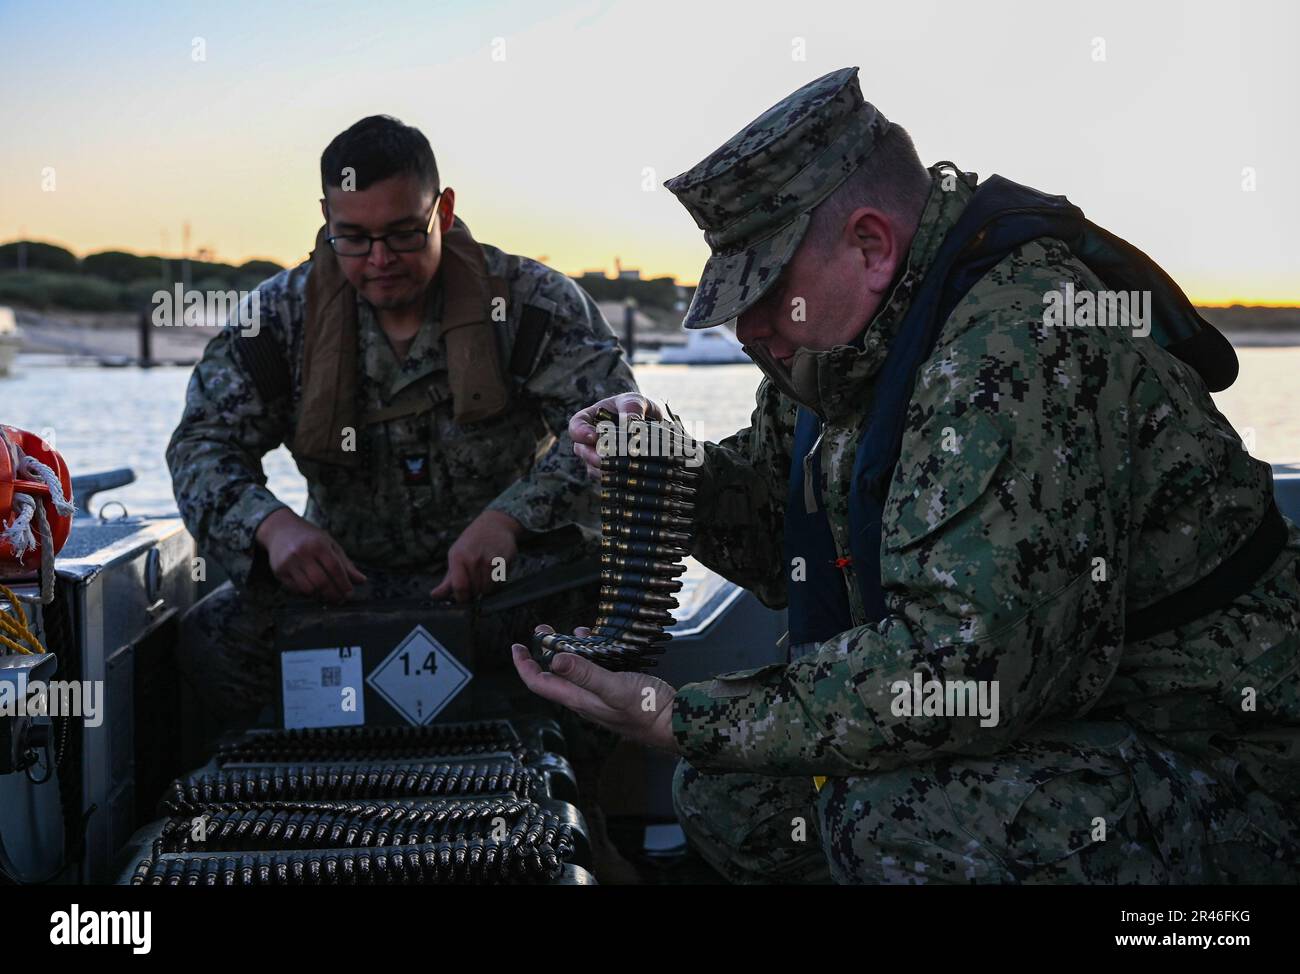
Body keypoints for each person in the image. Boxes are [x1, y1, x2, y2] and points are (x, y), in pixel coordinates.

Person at [512, 67, 1300, 884]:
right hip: (1073, 715)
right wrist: (669, 470)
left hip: (1219, 755)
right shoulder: (845, 343)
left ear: (871, 245)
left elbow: (968, 669)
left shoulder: (1015, 346)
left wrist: (682, 716)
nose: (748, 329)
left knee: (893, 821)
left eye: (768, 290)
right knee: (732, 796)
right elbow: (782, 537)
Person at [168, 114, 637, 738]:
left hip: (509, 585)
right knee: (210, 642)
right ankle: (294, 782)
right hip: (345, 588)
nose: (380, 259)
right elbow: (202, 446)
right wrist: (272, 527)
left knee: (612, 618)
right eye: (353, 238)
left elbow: (616, 433)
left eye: (403, 233)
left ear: (444, 210)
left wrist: (512, 519)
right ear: (326, 217)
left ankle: (557, 780)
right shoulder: (278, 318)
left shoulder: (532, 304)